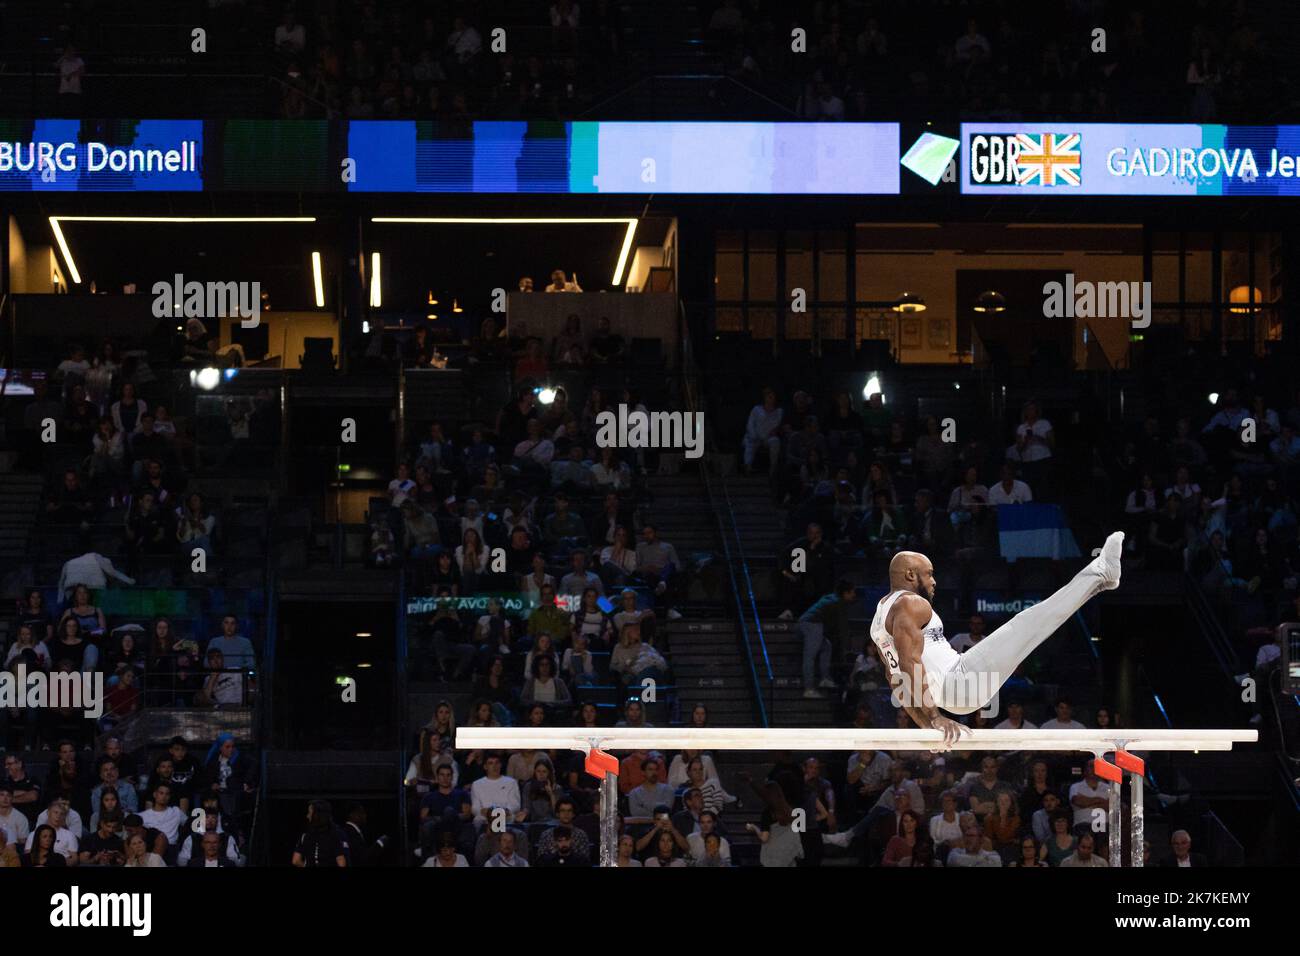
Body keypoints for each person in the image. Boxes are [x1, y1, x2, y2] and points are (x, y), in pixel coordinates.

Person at [869, 534, 1123, 744]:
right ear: (911, 575)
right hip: (960, 681)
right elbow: (909, 664)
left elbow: (896, 682)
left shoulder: (879, 618)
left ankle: (1099, 582)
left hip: (954, 690)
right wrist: (935, 718)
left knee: (1030, 625)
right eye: (929, 574)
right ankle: (1100, 572)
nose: (934, 581)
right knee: (1029, 623)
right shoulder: (910, 603)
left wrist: (928, 727)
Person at [797, 579, 857, 699]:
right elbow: (842, 627)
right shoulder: (838, 603)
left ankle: (825, 678)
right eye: (852, 592)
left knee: (826, 646)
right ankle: (808, 689)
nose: (854, 595)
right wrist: (846, 648)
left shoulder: (832, 598)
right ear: (846, 593)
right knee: (810, 656)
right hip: (812, 625)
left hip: (809, 624)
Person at [291, 799, 349, 866]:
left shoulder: (305, 835)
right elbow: (341, 862)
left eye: (309, 813)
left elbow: (296, 861)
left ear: (317, 815)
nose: (307, 816)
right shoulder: (335, 835)